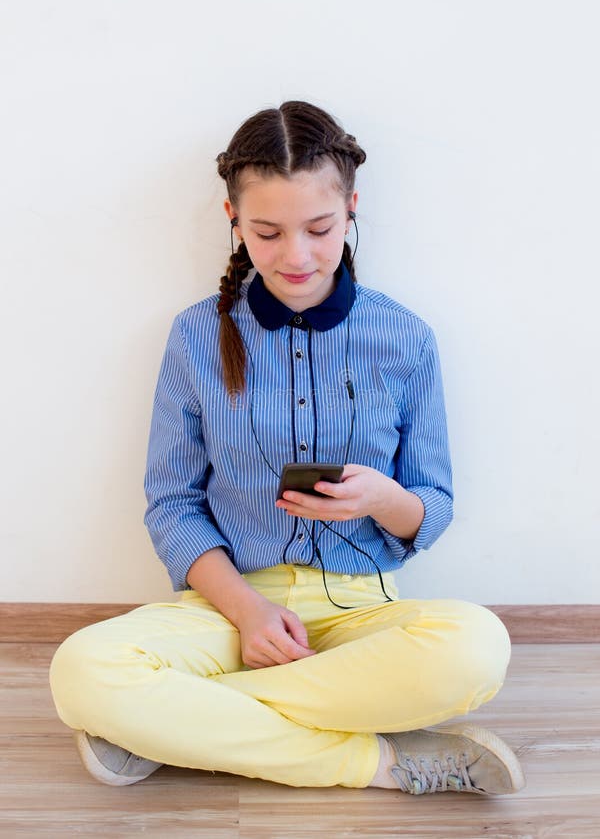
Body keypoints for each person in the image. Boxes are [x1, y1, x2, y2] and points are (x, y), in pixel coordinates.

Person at [49, 100, 525, 796]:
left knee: (476, 646)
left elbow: (434, 505)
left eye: (319, 229)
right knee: (81, 669)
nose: (295, 256)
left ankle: (168, 723)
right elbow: (172, 505)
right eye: (267, 233)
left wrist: (384, 499)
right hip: (227, 603)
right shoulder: (194, 337)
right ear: (233, 219)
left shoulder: (406, 338)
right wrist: (248, 612)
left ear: (351, 209)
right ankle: (381, 764)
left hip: (363, 608)